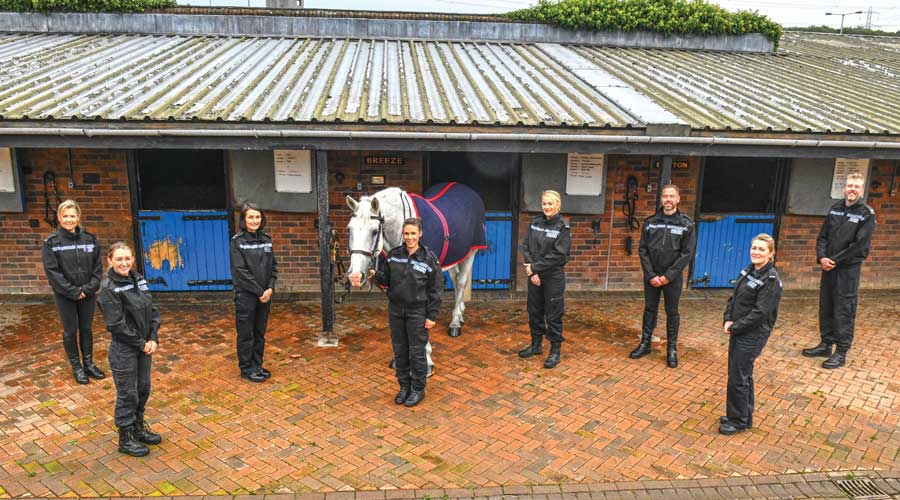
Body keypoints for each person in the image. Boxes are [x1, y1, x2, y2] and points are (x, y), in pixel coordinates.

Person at [802, 173, 876, 369]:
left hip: (848, 270)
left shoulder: (866, 214)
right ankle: (826, 344)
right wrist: (821, 257)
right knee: (826, 305)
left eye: (856, 187)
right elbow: (822, 237)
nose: (852, 189)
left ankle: (841, 352)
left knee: (844, 309)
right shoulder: (835, 209)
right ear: (844, 188)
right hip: (829, 267)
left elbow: (859, 245)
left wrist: (834, 260)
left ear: (862, 190)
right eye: (849, 185)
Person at [97, 242, 162, 457]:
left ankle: (138, 428)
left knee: (143, 388)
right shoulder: (108, 288)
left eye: (127, 258)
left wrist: (153, 337)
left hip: (144, 346)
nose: (124, 263)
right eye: (119, 259)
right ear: (110, 260)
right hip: (125, 349)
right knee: (128, 394)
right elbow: (116, 324)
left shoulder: (138, 279)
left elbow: (152, 310)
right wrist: (141, 343)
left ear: (133, 259)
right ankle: (125, 438)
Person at [371, 217, 442, 407]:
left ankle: (418, 389)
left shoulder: (429, 258)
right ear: (402, 235)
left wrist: (431, 316)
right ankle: (404, 386)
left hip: (417, 312)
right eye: (406, 234)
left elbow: (436, 290)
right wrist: (375, 274)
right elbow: (386, 278)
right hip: (395, 311)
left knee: (417, 353)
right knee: (400, 351)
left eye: (413, 233)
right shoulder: (394, 255)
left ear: (420, 234)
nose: (409, 237)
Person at [720, 234, 782, 435]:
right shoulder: (749, 270)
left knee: (739, 376)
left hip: (752, 334)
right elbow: (734, 297)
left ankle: (738, 421)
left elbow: (760, 313)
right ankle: (741, 415)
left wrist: (735, 327)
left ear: (770, 254)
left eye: (761, 249)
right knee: (740, 374)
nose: (756, 252)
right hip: (739, 329)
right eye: (754, 248)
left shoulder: (771, 279)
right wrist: (728, 318)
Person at [630, 184, 696, 368]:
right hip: (651, 276)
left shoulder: (686, 224)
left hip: (672, 278)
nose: (668, 199)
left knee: (672, 312)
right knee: (650, 309)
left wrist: (667, 276)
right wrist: (651, 275)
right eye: (665, 196)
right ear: (661, 199)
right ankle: (645, 344)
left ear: (678, 199)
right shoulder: (650, 222)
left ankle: (672, 349)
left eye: (671, 196)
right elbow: (642, 249)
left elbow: (686, 254)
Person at [41, 199, 105, 385]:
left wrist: (87, 289)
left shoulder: (90, 240)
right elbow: (53, 273)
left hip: (87, 293)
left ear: (78, 217)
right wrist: (74, 292)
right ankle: (77, 368)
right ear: (59, 218)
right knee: (70, 331)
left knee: (86, 329)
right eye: (65, 216)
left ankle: (89, 364)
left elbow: (97, 269)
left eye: (73, 216)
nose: (69, 219)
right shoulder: (51, 243)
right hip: (65, 296)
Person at [519, 190, 572, 369]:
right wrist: (532, 272)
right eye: (544, 204)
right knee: (534, 311)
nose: (547, 207)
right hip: (534, 275)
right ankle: (536, 345)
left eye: (550, 204)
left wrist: (535, 268)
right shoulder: (535, 222)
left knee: (554, 314)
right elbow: (526, 246)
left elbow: (559, 255)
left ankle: (555, 351)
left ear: (557, 205)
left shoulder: (563, 227)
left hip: (552, 278)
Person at [230, 203, 278, 383]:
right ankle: (246, 368)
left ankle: (257, 365)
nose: (254, 220)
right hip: (247, 296)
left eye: (257, 217)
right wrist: (260, 291)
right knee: (246, 333)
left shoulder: (266, 239)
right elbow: (240, 271)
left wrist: (271, 288)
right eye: (250, 217)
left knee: (259, 332)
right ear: (243, 219)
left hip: (265, 295)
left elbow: (273, 266)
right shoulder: (237, 242)